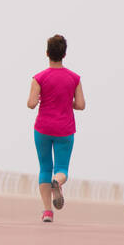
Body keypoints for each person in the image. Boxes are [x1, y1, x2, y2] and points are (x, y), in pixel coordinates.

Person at [27, 34, 86, 221]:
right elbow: (81, 105)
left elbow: (30, 103)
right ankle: (57, 182)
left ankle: (47, 212)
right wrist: (67, 103)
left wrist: (41, 99)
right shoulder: (74, 78)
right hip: (65, 130)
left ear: (47, 53)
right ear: (64, 54)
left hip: (43, 128)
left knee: (45, 167)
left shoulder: (39, 78)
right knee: (61, 168)